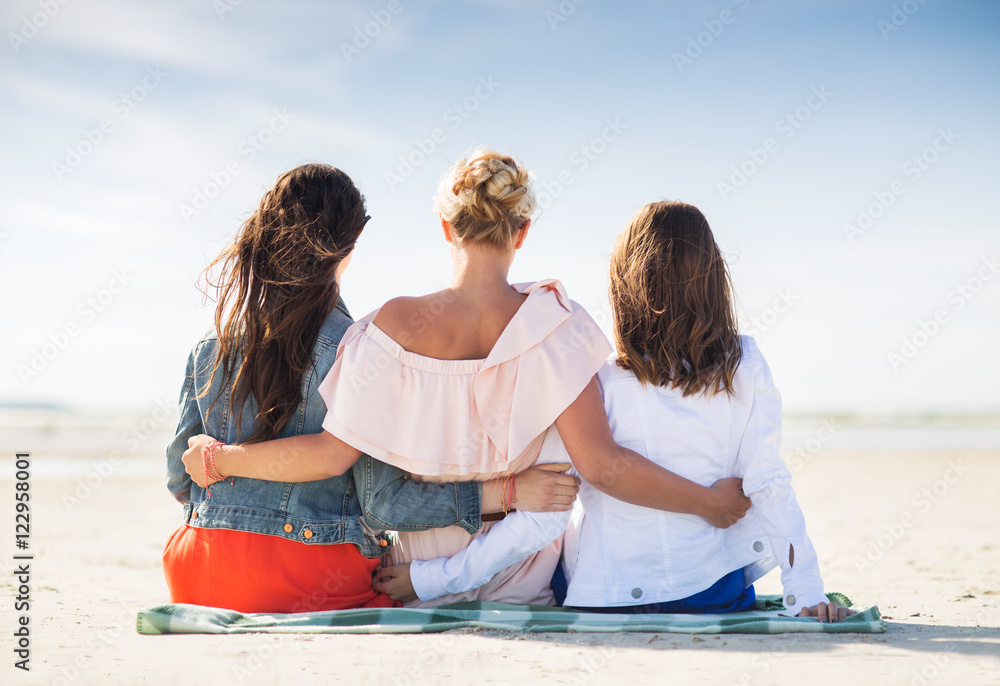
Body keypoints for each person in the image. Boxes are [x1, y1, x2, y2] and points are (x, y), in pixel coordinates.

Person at [182, 151, 752, 608]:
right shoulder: (560, 327)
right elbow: (601, 466)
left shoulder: (388, 329)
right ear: (522, 230)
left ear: (445, 227)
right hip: (521, 575)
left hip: (416, 570)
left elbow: (370, 495)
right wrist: (707, 503)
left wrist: (223, 459)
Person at [164, 163, 580, 613]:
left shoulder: (210, 343)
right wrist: (507, 494)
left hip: (196, 572)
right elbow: (383, 505)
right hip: (311, 574)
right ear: (349, 246)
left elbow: (179, 476)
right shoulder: (356, 347)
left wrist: (220, 463)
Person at [560, 200, 856, 621]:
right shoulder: (744, 362)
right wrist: (805, 592)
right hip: (710, 595)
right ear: (713, 279)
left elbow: (567, 480)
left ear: (624, 285)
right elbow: (768, 482)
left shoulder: (594, 375)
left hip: (604, 593)